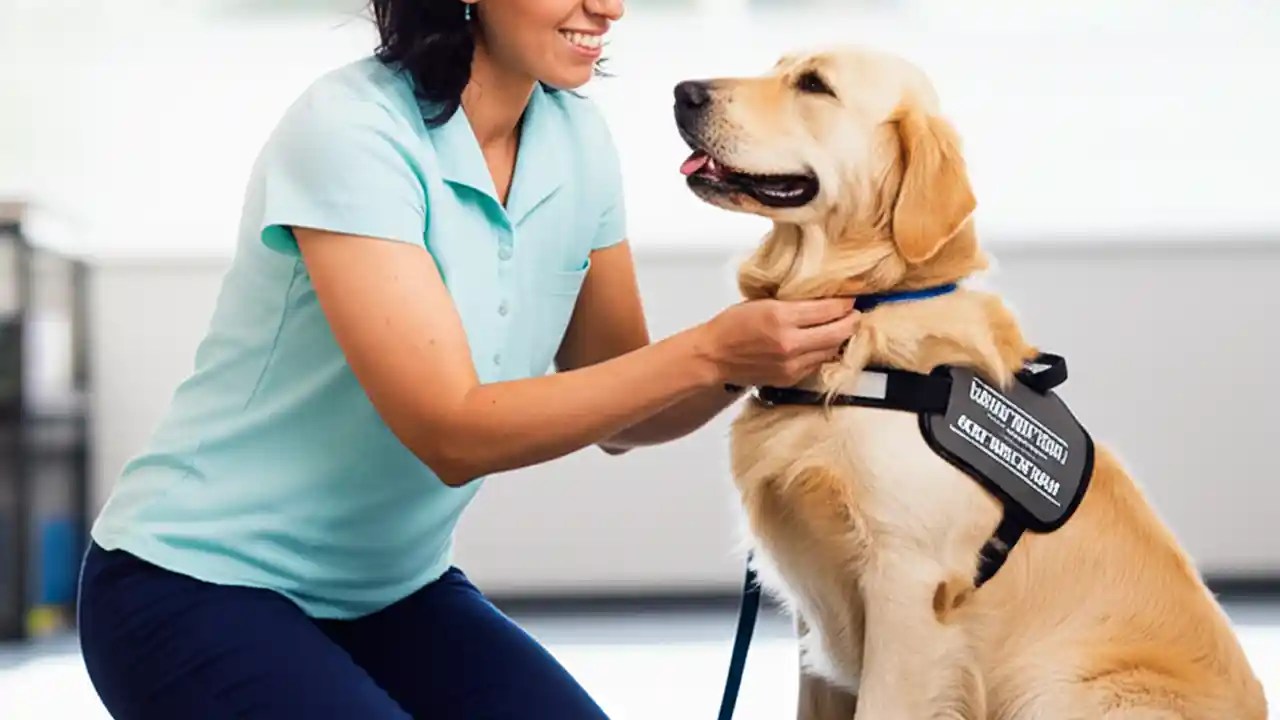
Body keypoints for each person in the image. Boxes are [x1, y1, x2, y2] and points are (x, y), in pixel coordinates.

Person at [76, 0, 860, 717]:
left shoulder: (575, 140)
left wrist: (756, 356)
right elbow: (451, 434)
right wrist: (714, 348)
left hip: (388, 592)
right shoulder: (352, 131)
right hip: (192, 585)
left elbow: (630, 413)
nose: (609, 7)